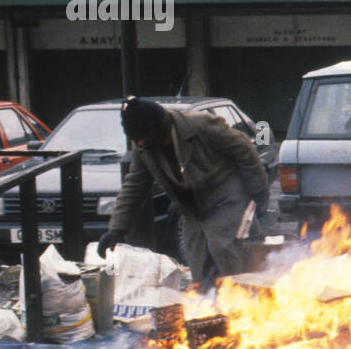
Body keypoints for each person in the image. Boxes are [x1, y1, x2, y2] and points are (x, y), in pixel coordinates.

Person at [97, 97, 269, 289]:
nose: (140, 143)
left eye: (143, 137)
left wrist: (259, 190)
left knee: (232, 262)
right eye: (136, 139)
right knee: (200, 270)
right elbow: (134, 186)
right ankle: (211, 311)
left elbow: (244, 148)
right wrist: (117, 229)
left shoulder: (199, 125)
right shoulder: (144, 148)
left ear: (158, 127)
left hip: (227, 200)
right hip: (193, 212)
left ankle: (245, 307)